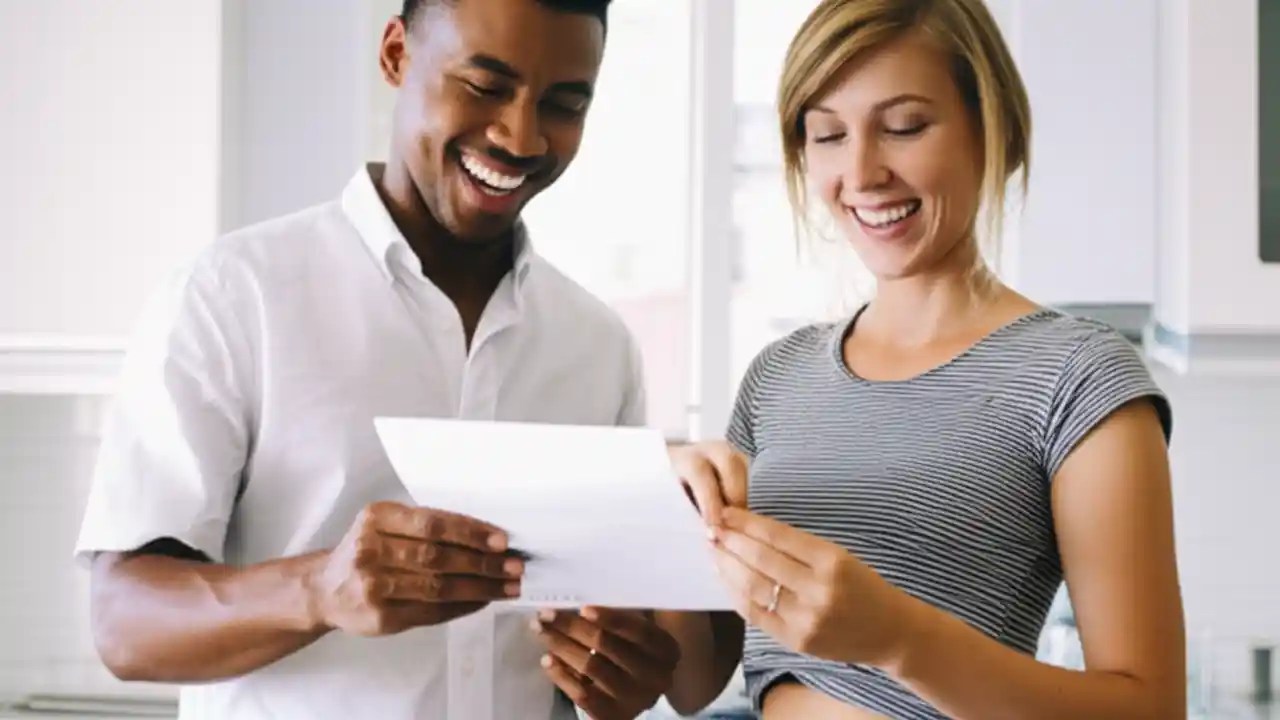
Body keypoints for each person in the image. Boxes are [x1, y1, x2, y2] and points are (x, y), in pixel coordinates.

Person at [74, 1, 681, 718]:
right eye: (484, 87)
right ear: (396, 54)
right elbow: (124, 625)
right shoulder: (233, 296)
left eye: (564, 104)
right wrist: (319, 590)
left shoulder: (599, 347)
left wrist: (622, 675)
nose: (521, 137)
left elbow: (610, 638)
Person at [658, 0, 1186, 718]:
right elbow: (694, 682)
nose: (862, 172)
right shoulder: (779, 376)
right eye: (828, 135)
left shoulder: (1077, 377)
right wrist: (670, 514)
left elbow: (1151, 709)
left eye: (904, 127)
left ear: (991, 128)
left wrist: (897, 637)